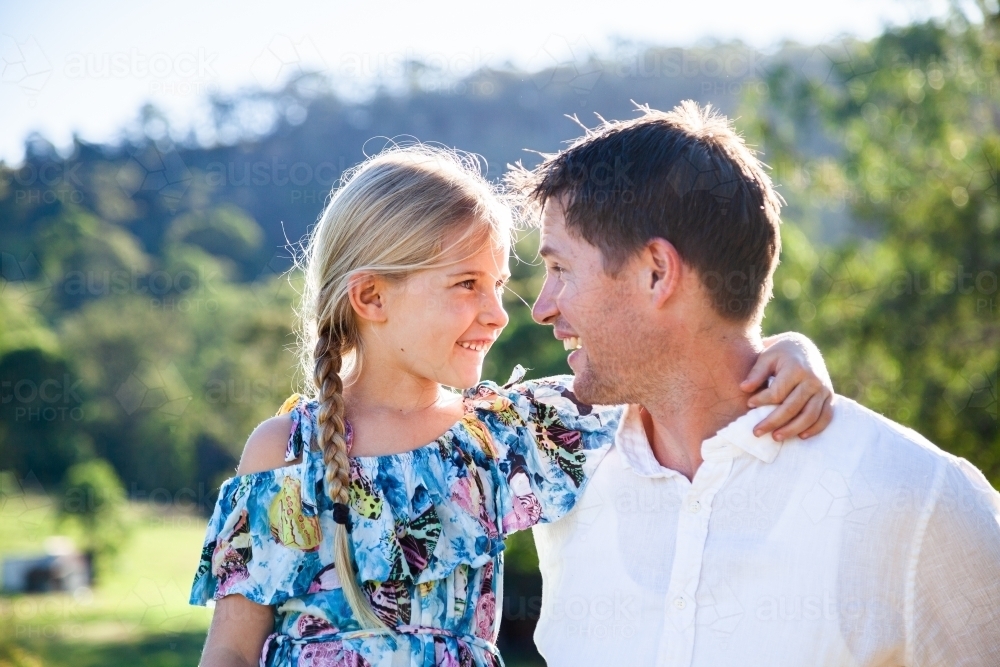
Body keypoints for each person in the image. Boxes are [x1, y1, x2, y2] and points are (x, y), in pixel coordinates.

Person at [189, 144, 834, 667]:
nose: (500, 314)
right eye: (467, 285)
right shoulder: (284, 453)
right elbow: (232, 652)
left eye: (498, 284)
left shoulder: (510, 434)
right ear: (371, 298)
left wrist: (791, 349)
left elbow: (681, 366)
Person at [511, 101, 1000, 666]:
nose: (542, 307)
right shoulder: (552, 465)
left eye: (560, 270)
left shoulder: (914, 500)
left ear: (657, 272)